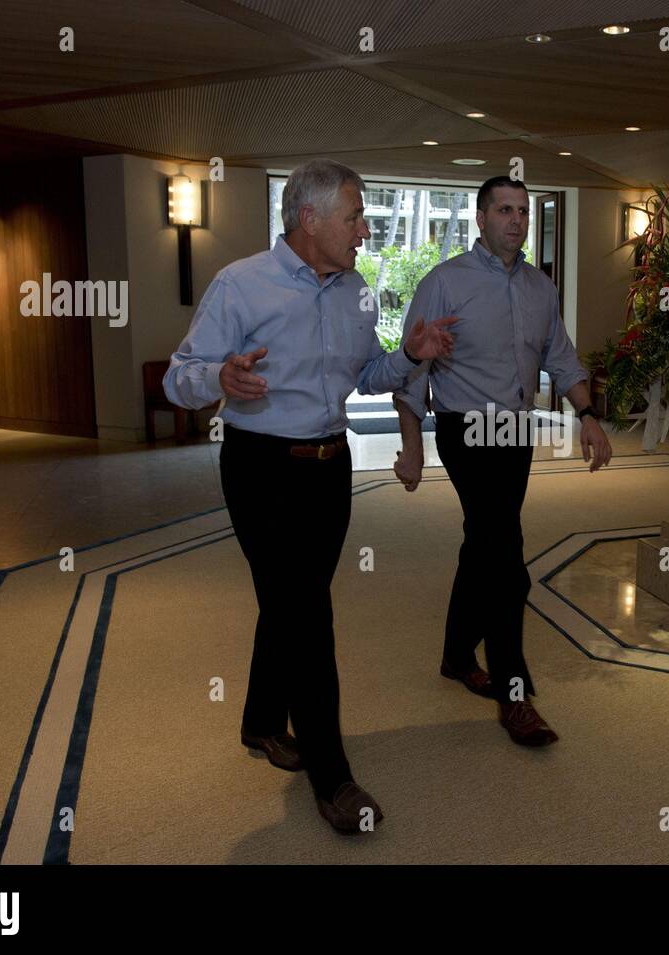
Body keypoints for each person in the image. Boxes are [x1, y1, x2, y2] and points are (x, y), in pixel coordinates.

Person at [163, 159, 457, 834]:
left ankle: (261, 722)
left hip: (330, 468)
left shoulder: (357, 291)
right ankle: (334, 778)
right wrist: (218, 376)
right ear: (310, 219)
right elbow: (178, 378)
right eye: (354, 215)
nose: (364, 228)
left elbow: (368, 375)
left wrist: (411, 354)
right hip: (261, 468)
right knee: (306, 616)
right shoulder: (240, 285)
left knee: (288, 603)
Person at [392, 175, 613, 747]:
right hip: (466, 429)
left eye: (523, 211)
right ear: (481, 219)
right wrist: (412, 444)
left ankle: (455, 654)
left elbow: (560, 358)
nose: (516, 220)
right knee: (505, 556)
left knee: (484, 543)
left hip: (514, 430)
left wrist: (588, 415)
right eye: (504, 210)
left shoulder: (541, 287)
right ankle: (516, 696)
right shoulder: (445, 282)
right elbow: (412, 366)